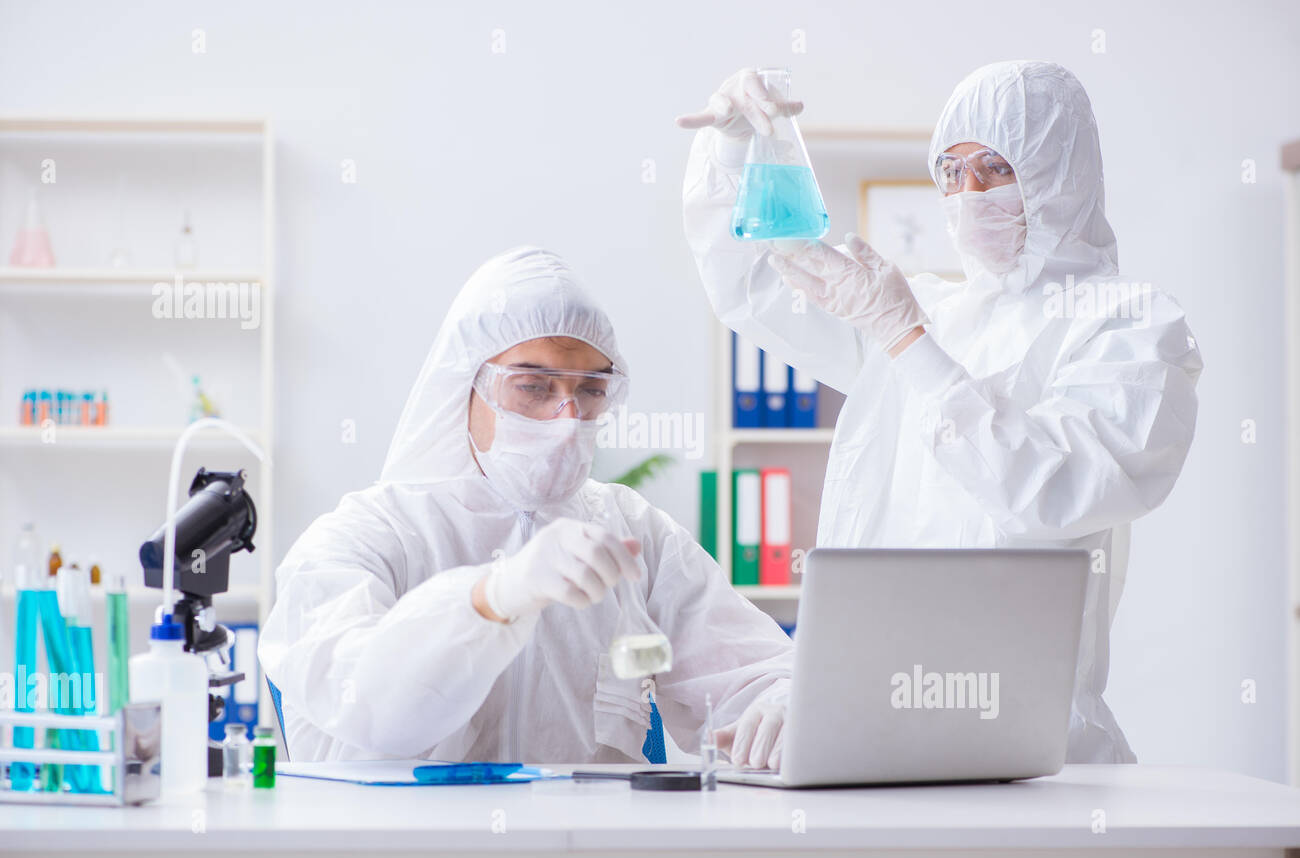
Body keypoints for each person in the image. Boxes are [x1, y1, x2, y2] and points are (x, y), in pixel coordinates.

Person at [678, 61, 1203, 762]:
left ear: (1063, 168)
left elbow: (1054, 491)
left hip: (1042, 750)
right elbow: (758, 285)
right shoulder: (929, 311)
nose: (969, 193)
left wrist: (906, 340)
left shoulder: (1132, 326)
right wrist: (739, 147)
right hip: (872, 726)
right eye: (950, 173)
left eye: (995, 166)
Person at [259, 246, 793, 769]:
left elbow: (747, 670)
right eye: (533, 386)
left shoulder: (634, 532)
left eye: (590, 389)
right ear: (467, 386)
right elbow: (369, 708)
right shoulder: (370, 534)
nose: (567, 416)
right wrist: (491, 599)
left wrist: (782, 700)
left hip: (584, 847)